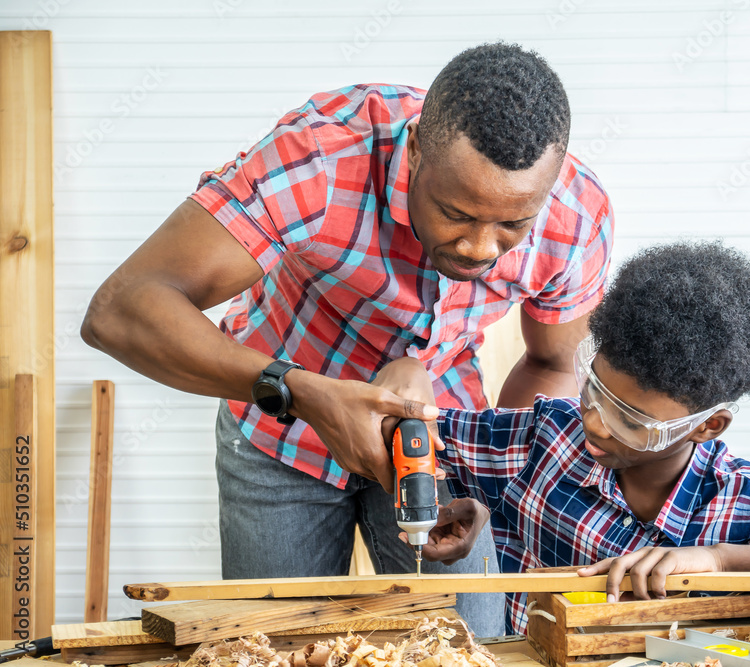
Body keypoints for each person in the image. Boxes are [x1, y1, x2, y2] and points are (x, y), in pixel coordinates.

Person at [80, 42, 614, 636]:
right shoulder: (323, 157)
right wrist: (304, 394)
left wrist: (496, 484)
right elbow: (120, 310)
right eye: (455, 213)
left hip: (429, 442)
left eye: (513, 224)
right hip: (279, 425)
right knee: (275, 646)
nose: (481, 248)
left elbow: (549, 363)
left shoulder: (576, 217)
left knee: (469, 642)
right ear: (414, 152)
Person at [374, 241, 750, 635]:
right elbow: (413, 428)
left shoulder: (742, 503)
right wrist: (409, 375)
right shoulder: (546, 437)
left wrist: (718, 559)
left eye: (631, 421)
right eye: (593, 390)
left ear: (707, 426)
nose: (596, 424)